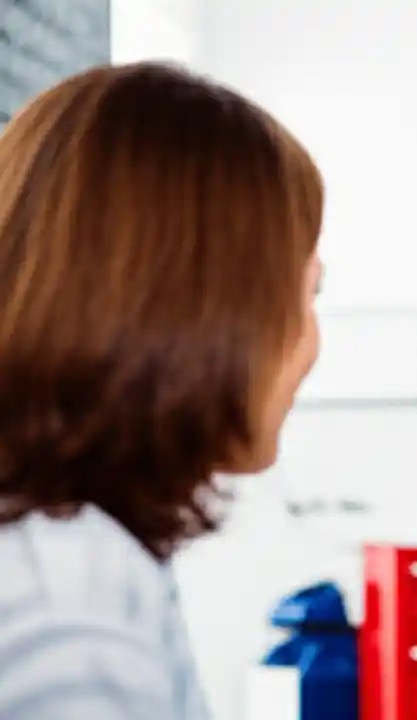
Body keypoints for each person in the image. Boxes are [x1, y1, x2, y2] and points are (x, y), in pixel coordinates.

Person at [0, 61, 324, 719]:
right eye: (308, 294)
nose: (312, 341)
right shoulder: (68, 598)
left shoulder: (64, 548)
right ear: (209, 308)